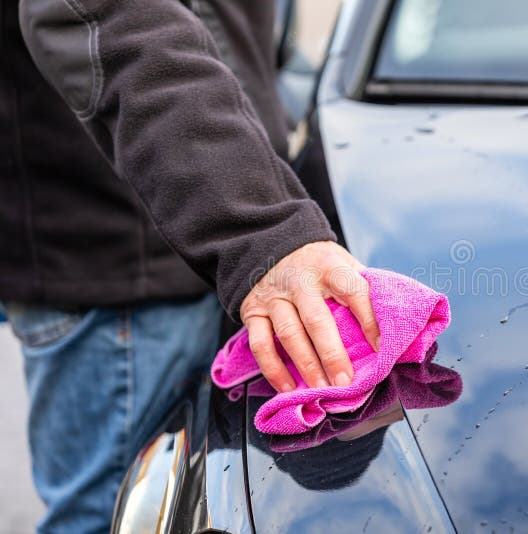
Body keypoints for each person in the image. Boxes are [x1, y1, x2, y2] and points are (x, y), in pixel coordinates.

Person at [0, 1, 379, 532]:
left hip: (191, 245)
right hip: (120, 269)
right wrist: (261, 229)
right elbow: (96, 13)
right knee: (106, 517)